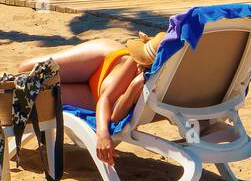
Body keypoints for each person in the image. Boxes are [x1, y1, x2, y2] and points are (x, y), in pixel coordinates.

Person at [16, 32, 164, 165]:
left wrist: (135, 85)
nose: (140, 65)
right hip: (102, 59)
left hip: (92, 95)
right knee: (27, 70)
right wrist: (102, 133)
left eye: (143, 63)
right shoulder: (134, 61)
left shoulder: (145, 84)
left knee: (37, 92)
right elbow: (107, 99)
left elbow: (116, 116)